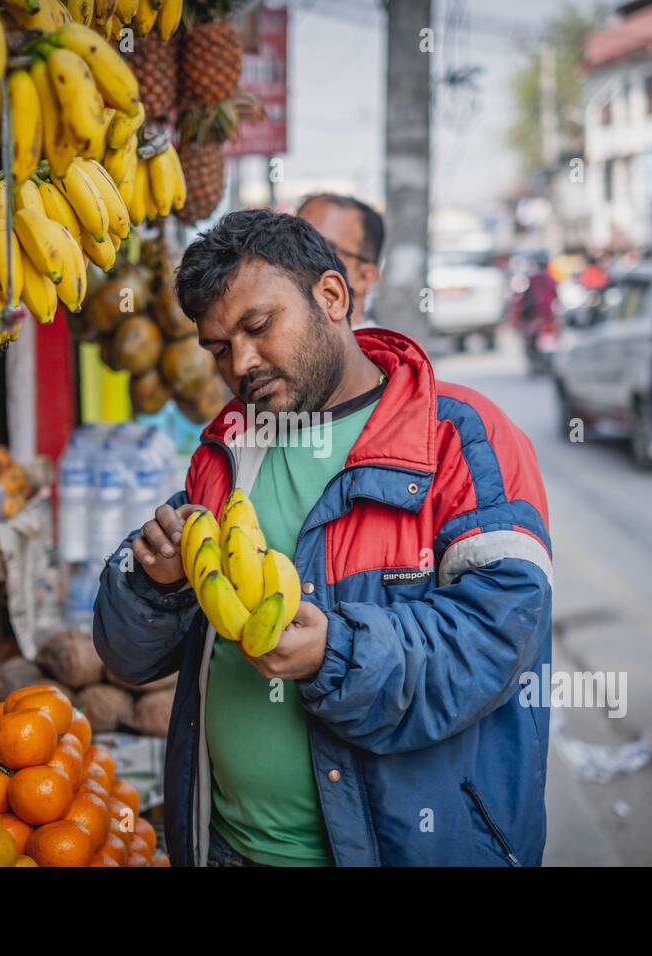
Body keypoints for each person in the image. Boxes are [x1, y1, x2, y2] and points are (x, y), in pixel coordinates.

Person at [93, 209, 553, 866]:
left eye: (259, 326)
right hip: (228, 848)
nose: (242, 363)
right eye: (220, 348)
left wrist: (336, 653)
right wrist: (153, 587)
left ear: (332, 297)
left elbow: (501, 638)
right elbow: (126, 659)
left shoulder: (461, 438)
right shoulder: (228, 450)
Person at [296, 193, 384, 327]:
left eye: (316, 247)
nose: (294, 256)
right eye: (291, 241)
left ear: (364, 277)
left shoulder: (369, 348)